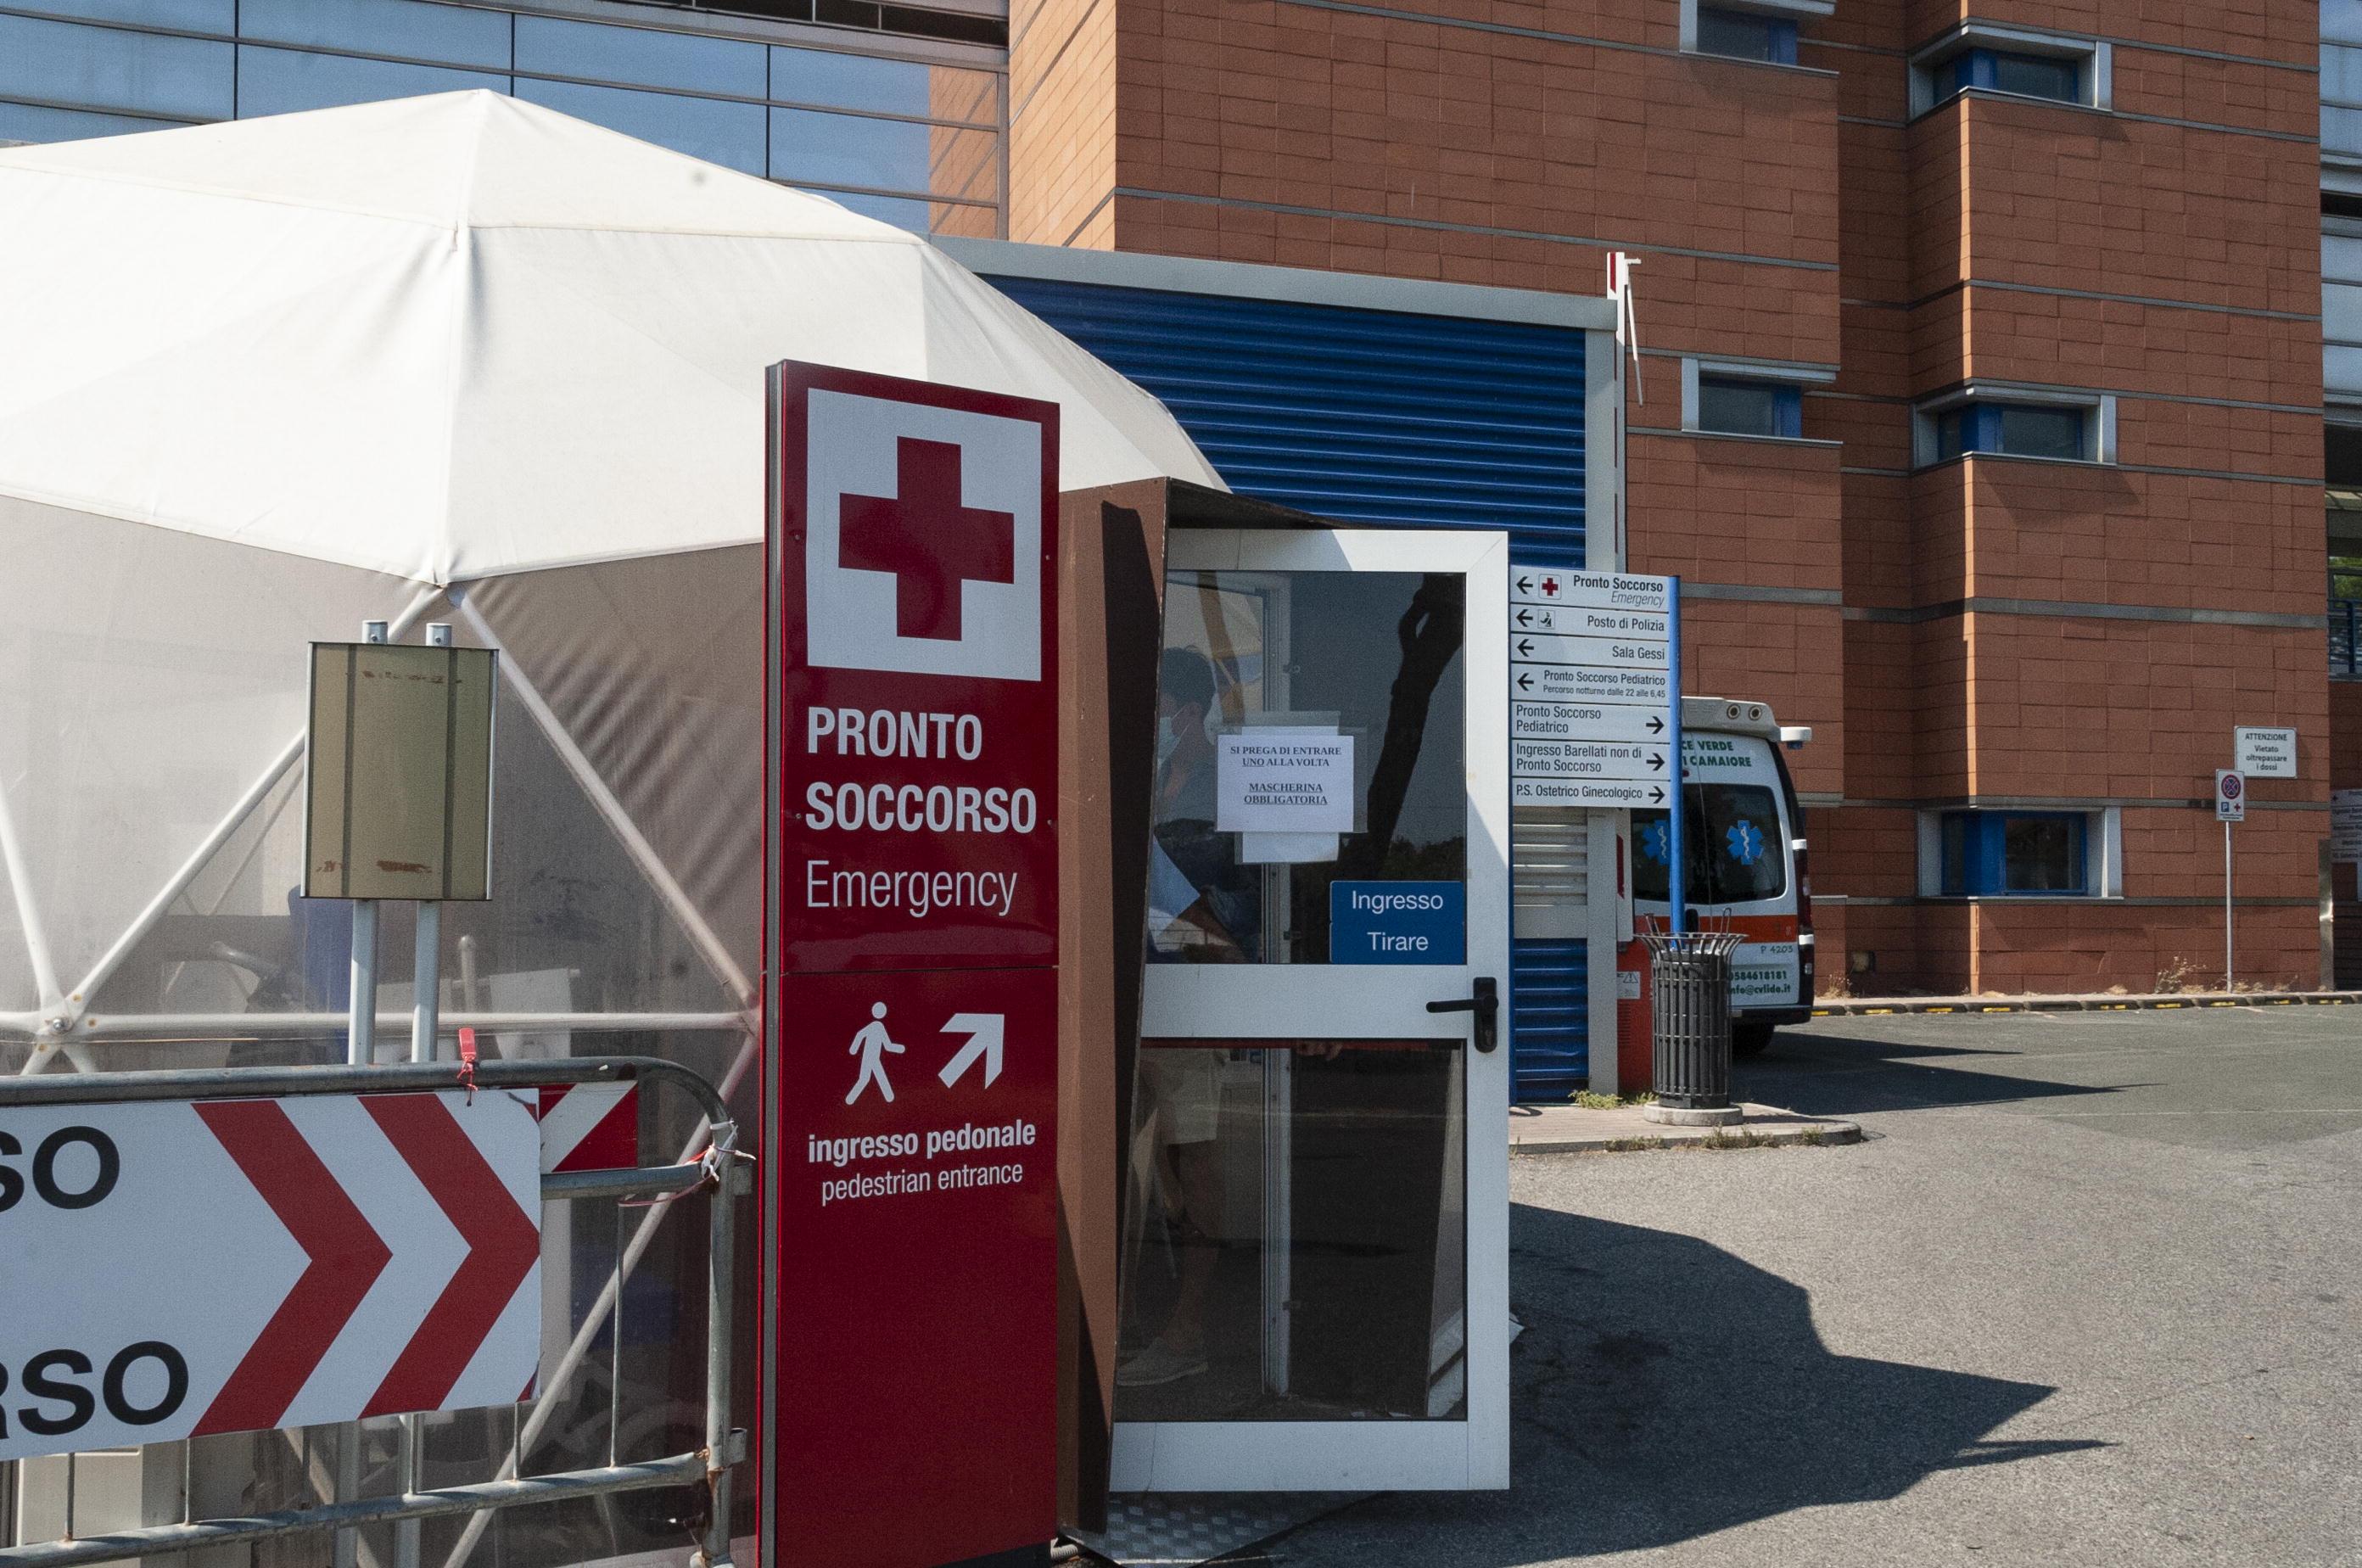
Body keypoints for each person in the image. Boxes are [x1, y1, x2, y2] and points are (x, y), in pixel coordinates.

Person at [1121, 648, 1251, 1389]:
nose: (1155, 724)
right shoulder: (1148, 783)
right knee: (1146, 1170)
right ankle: (1129, 1324)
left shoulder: (1226, 786)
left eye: (1161, 708)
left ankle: (1189, 1329)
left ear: (1190, 714)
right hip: (1138, 1003)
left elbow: (1240, 900)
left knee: (1193, 1160)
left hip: (1194, 1001)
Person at [844, 1001, 903, 1106]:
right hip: (870, 1058)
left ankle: (889, 1098)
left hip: (872, 1058)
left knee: (868, 1078)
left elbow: (886, 1045)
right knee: (866, 1079)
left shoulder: (877, 1026)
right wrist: (853, 1049)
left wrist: (899, 1048)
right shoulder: (877, 1026)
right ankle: (850, 1099)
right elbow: (860, 1035)